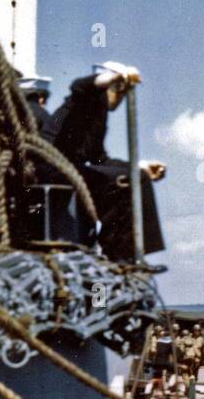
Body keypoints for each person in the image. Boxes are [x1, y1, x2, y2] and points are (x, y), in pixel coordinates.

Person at [43, 61, 166, 263]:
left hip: (72, 169)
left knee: (138, 178)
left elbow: (100, 158)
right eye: (122, 91)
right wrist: (114, 78)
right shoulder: (86, 99)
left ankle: (131, 254)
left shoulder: (100, 114)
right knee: (124, 185)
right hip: (53, 167)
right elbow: (79, 86)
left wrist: (138, 167)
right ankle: (119, 256)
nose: (123, 97)